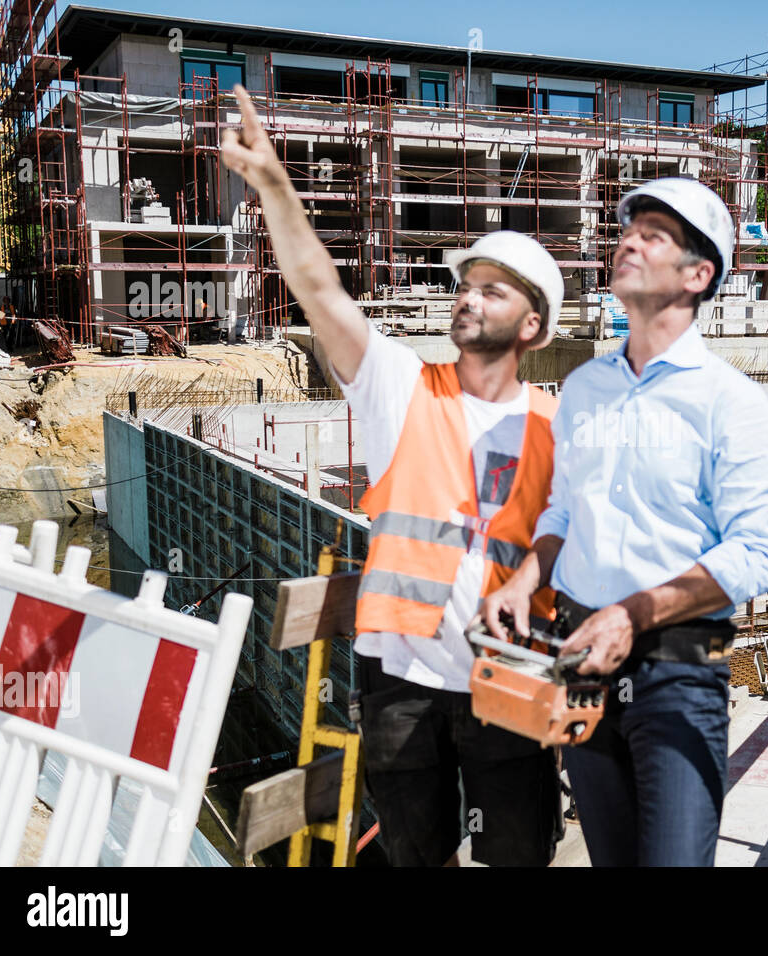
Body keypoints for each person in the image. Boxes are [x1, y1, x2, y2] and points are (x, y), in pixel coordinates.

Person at [221, 85, 567, 867]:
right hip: (401, 677)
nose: (469, 298)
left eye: (493, 289)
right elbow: (319, 290)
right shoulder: (402, 386)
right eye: (465, 285)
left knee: (518, 852)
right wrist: (275, 186)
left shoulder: (560, 423)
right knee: (418, 853)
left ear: (533, 326)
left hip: (508, 675)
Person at [482, 177, 768, 866]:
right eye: (628, 230)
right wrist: (520, 580)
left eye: (653, 235)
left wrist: (631, 616)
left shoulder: (732, 406)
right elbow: (563, 510)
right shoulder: (588, 387)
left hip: (678, 670)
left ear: (697, 274)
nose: (627, 241)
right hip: (580, 661)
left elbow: (757, 553)